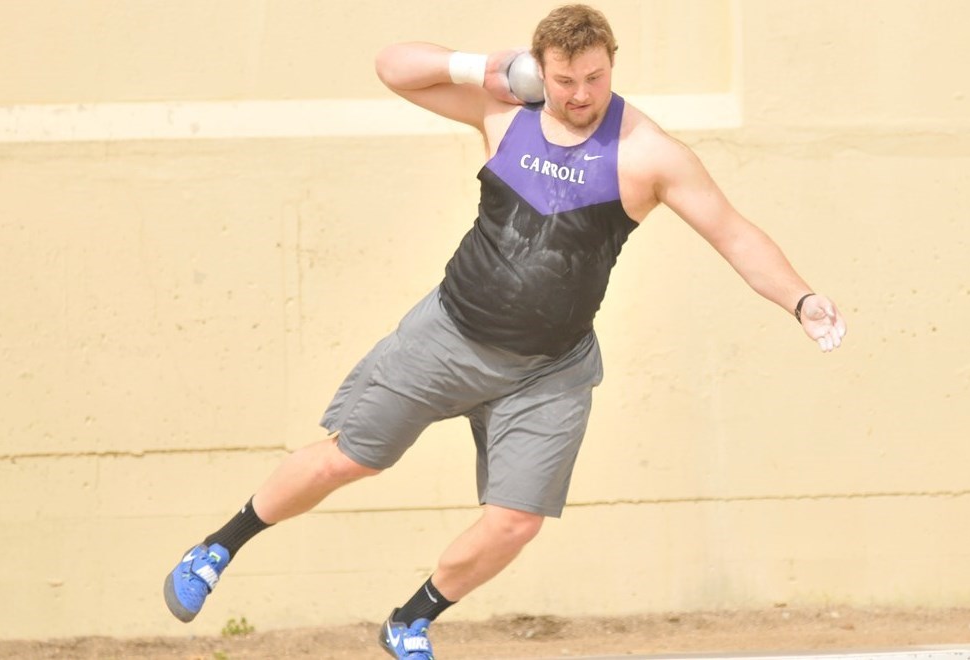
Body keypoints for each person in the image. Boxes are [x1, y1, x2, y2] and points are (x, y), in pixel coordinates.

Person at [162, 5, 847, 659]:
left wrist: (801, 298)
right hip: (448, 335)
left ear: (613, 64)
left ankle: (410, 620)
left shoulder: (648, 153)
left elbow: (734, 234)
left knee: (516, 520)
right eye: (565, 79)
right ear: (539, 69)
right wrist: (478, 65)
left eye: (595, 77)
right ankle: (216, 548)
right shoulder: (503, 113)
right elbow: (392, 66)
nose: (581, 95)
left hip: (551, 369)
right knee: (350, 459)